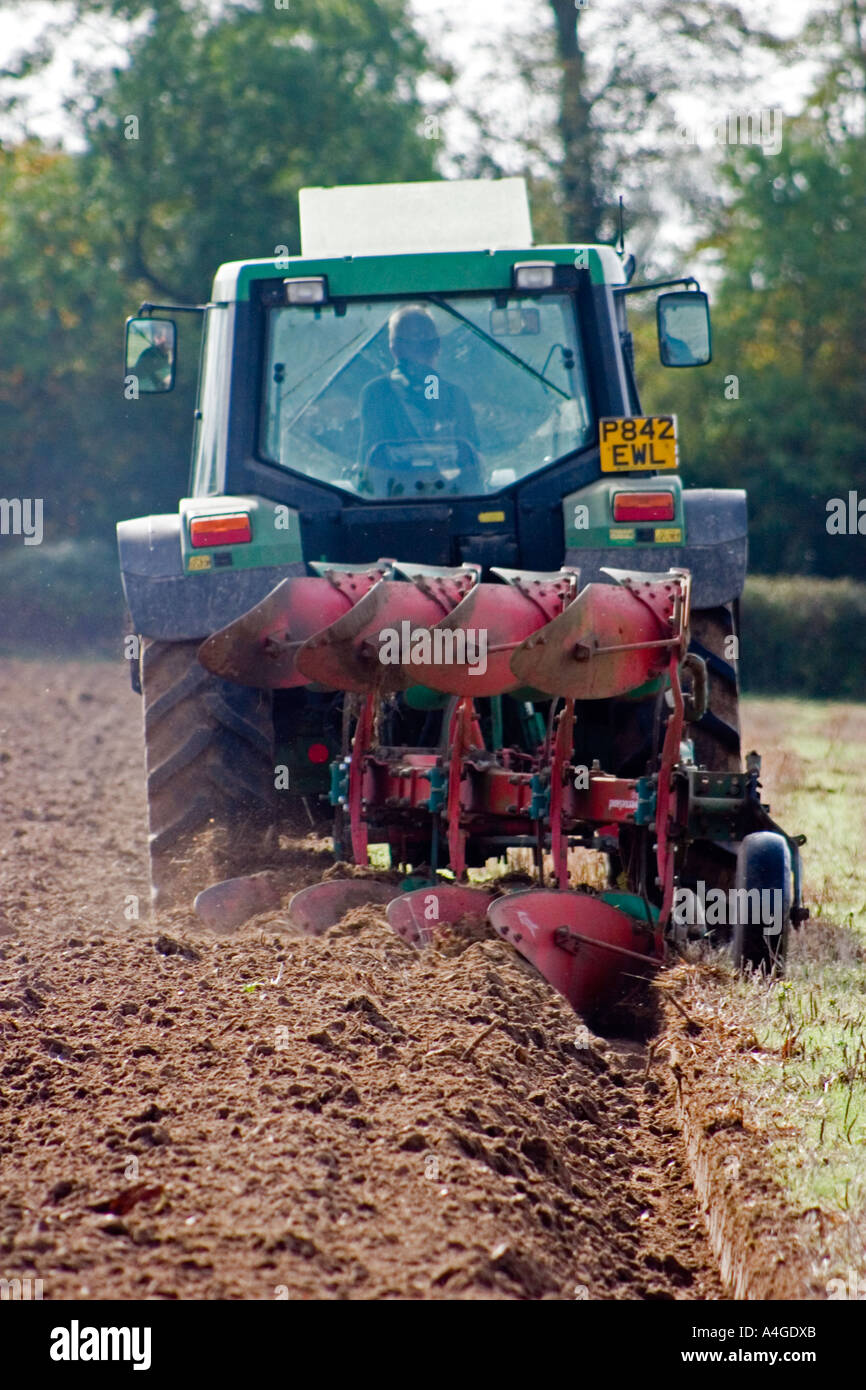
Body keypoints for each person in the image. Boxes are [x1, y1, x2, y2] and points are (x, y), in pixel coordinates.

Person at [358, 305, 480, 481]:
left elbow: (473, 463)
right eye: (412, 345)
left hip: (451, 493)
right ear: (395, 349)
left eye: (424, 345)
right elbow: (369, 465)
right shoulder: (377, 394)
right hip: (391, 497)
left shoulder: (452, 396)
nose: (419, 353)